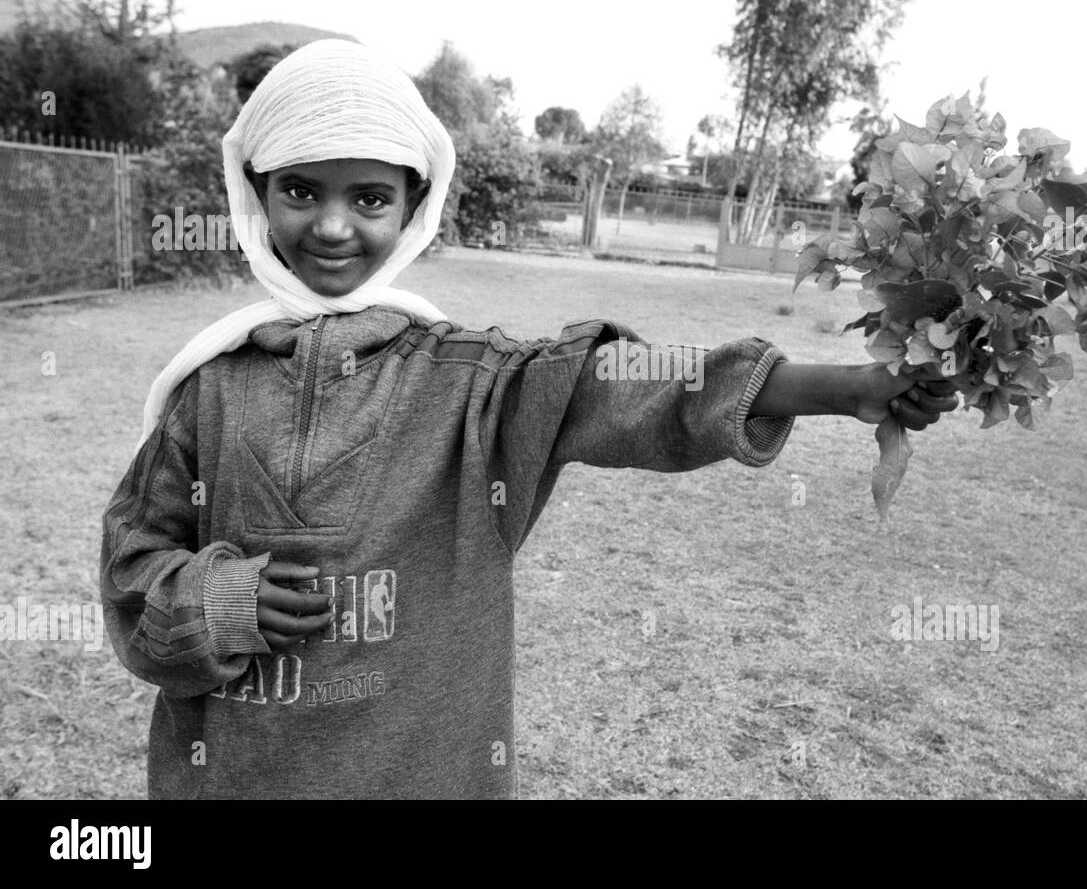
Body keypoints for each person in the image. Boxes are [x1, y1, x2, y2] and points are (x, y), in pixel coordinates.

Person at [99, 40, 958, 799]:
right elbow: (131, 571)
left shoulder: (472, 381)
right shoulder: (206, 387)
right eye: (298, 189)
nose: (331, 225)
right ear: (254, 194)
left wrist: (843, 388)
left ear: (413, 206)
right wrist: (217, 601)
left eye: (368, 198)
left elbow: (621, 384)